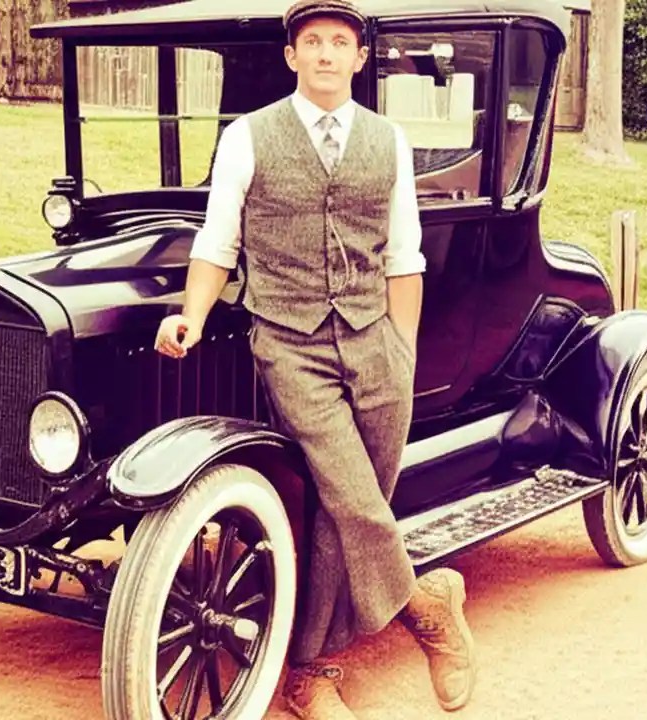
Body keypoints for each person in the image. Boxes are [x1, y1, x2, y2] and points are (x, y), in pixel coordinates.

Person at [154, 1, 476, 717]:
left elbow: (404, 253)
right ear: (292, 56)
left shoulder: (388, 140)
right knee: (348, 490)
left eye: (340, 42)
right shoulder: (249, 137)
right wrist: (192, 316)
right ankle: (427, 609)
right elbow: (217, 242)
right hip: (291, 342)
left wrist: (401, 350)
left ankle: (314, 671)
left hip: (376, 342)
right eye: (312, 43)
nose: (327, 54)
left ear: (360, 59)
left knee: (346, 509)